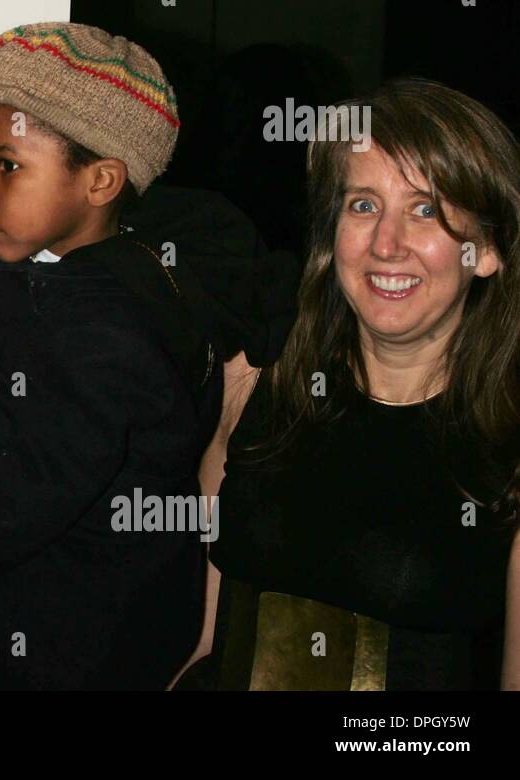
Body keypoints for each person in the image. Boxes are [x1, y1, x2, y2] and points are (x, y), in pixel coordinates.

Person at [0, 22, 291, 689]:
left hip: (69, 649)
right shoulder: (78, 276)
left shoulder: (105, 319)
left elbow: (39, 484)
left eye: (9, 166)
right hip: (49, 628)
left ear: (101, 181)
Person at [180, 78, 520, 690]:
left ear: (488, 250)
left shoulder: (507, 447)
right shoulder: (260, 380)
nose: (387, 245)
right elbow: (207, 634)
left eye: (425, 210)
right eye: (363, 205)